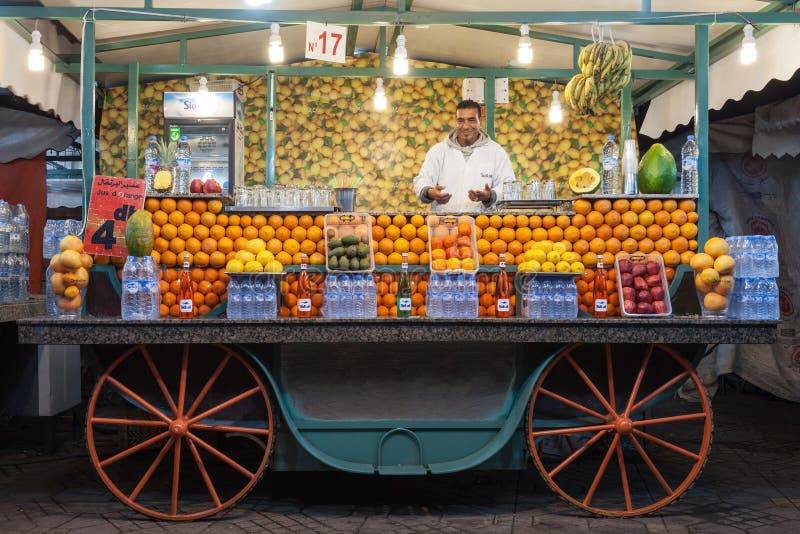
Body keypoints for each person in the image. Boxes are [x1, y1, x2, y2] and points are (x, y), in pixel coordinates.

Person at [413, 99, 516, 212]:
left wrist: (490, 196)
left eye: (471, 120)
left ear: (480, 121)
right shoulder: (439, 151)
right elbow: (422, 180)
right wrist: (429, 192)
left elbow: (509, 186)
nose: (465, 126)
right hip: (445, 224)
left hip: (482, 225)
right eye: (460, 120)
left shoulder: (496, 152)